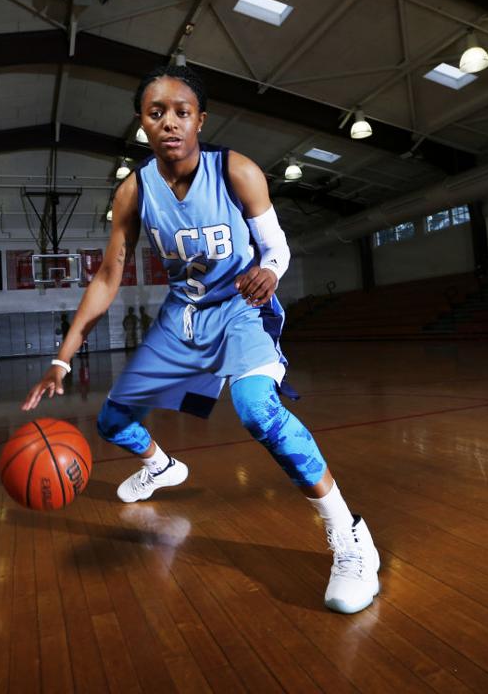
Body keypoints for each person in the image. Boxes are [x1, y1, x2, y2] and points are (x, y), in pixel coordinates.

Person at [21, 65, 379, 614]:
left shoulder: (235, 170)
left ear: (199, 120)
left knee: (257, 409)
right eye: (155, 112)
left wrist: (272, 272)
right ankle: (161, 467)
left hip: (241, 305)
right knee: (114, 422)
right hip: (184, 316)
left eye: (181, 112)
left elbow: (276, 246)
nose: (169, 122)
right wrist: (62, 358)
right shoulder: (133, 191)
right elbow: (108, 277)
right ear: (141, 123)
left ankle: (350, 537)